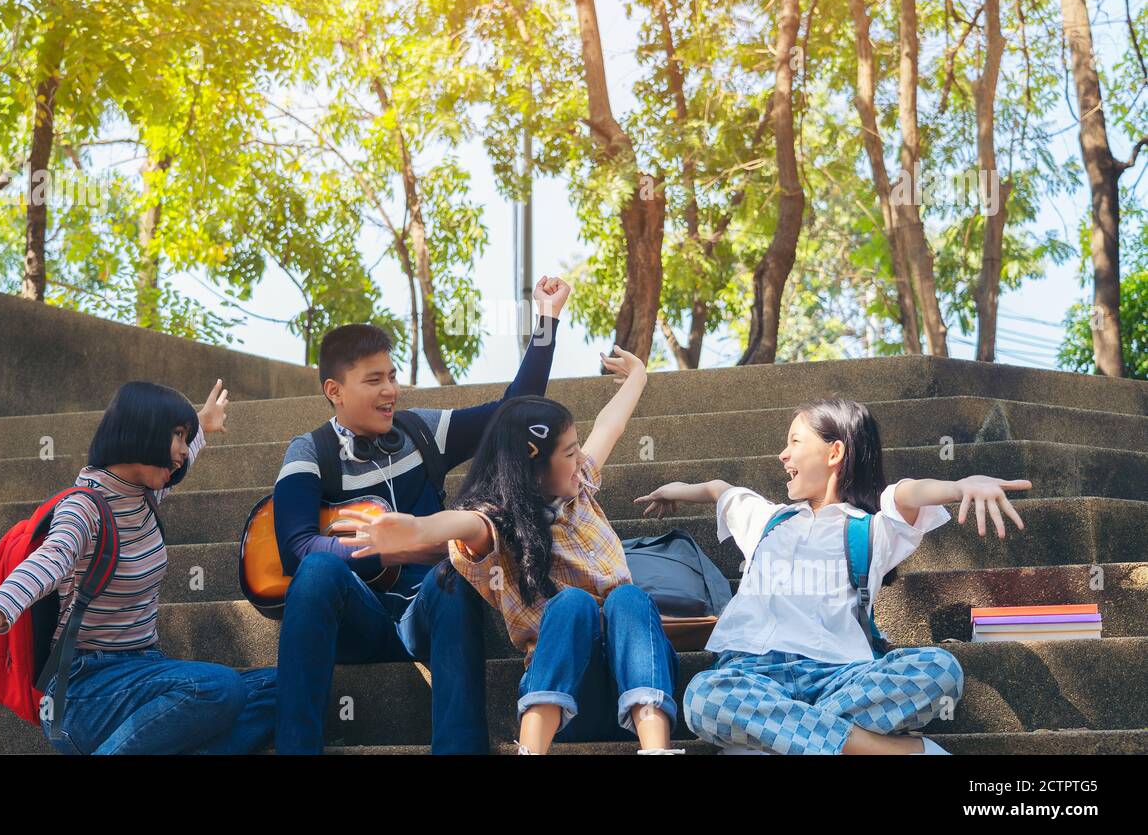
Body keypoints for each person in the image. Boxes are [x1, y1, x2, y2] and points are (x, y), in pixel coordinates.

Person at [272, 276, 570, 754]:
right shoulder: (310, 451)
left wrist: (547, 321)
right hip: (359, 619)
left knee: (453, 575)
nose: (391, 390)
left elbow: (513, 412)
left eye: (392, 376)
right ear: (335, 390)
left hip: (431, 614)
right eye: (374, 380)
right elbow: (296, 549)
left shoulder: (421, 432)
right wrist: (381, 551)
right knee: (317, 569)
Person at [635, 397, 1031, 755]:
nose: (782, 454)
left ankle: (777, 740)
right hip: (753, 675)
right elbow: (719, 489)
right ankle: (893, 752)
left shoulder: (872, 531)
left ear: (835, 452)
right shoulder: (767, 520)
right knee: (704, 697)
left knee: (941, 669)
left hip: (841, 678)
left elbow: (907, 492)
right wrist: (676, 490)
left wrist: (959, 486)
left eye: (794, 442)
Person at [339, 345, 682, 755]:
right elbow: (466, 523)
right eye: (569, 453)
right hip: (570, 701)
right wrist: (415, 528)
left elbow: (611, 426)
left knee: (628, 598)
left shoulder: (580, 488)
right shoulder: (503, 526)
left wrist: (638, 376)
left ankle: (657, 750)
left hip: (643, 688)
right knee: (572, 604)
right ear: (534, 468)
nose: (581, 459)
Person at [0, 380, 277, 754]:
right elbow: (51, 559)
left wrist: (201, 423)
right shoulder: (85, 507)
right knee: (217, 688)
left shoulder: (143, 496)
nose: (184, 450)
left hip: (141, 675)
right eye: (178, 436)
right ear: (142, 432)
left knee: (283, 687)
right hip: (86, 688)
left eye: (186, 439)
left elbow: (178, 457)